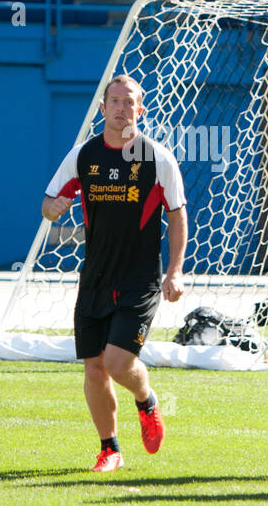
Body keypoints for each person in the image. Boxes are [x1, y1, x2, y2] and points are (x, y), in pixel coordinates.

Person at [40, 74, 187, 472]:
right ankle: (110, 449)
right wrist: (52, 209)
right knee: (94, 367)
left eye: (130, 102)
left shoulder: (157, 157)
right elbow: (51, 200)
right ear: (102, 109)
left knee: (119, 363)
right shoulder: (83, 155)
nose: (122, 108)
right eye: (115, 101)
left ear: (141, 110)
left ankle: (147, 401)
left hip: (140, 278)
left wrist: (175, 271)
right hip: (95, 278)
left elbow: (177, 215)